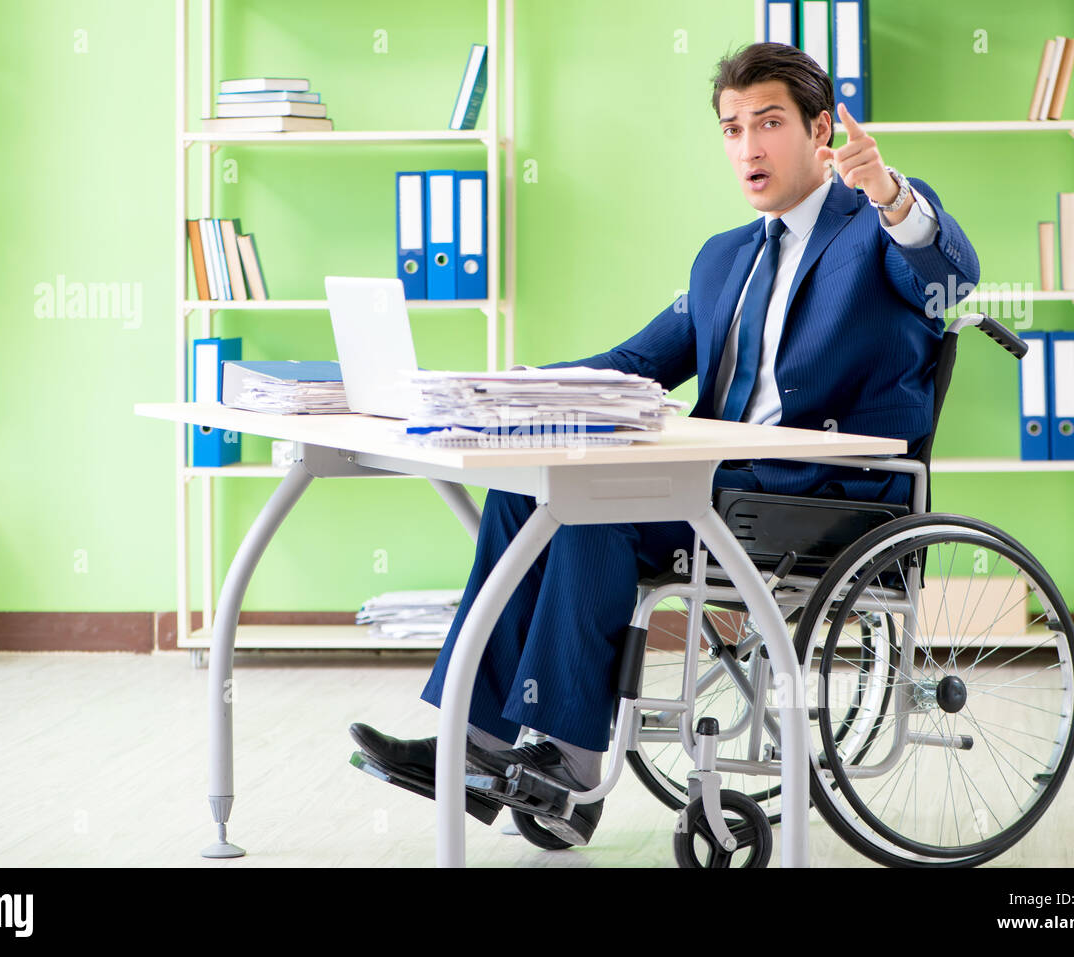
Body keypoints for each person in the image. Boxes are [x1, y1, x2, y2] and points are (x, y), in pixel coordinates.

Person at [349, 41, 979, 846]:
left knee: (593, 505)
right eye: (731, 128)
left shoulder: (877, 228)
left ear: (822, 129)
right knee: (529, 489)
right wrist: (495, 390)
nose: (747, 147)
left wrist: (890, 194)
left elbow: (954, 285)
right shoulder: (724, 258)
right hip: (723, 491)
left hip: (823, 501)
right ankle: (478, 750)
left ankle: (569, 768)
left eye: (769, 123)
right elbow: (636, 363)